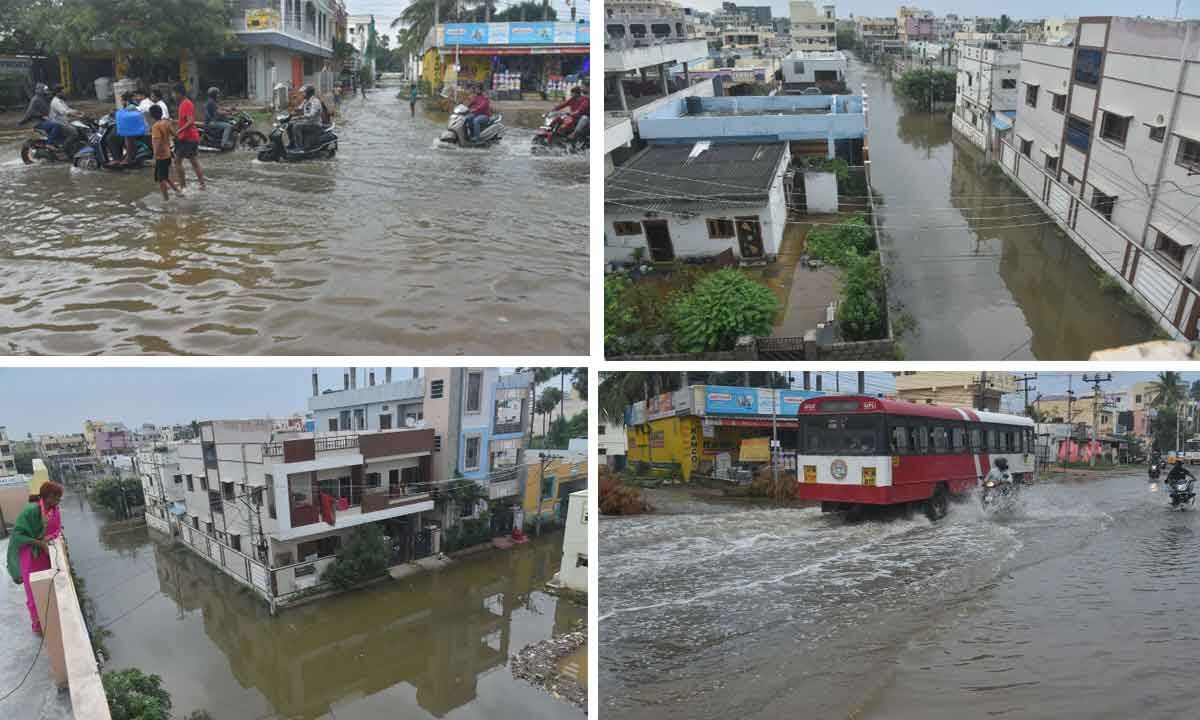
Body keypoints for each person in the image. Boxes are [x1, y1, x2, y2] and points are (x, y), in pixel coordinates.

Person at [6, 481, 64, 634]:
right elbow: (17, 535)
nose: (58, 501)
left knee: (47, 586)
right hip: (30, 555)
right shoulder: (31, 510)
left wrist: (49, 539)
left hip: (46, 554)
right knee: (33, 590)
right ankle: (37, 625)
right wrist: (39, 543)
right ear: (46, 496)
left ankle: (50, 618)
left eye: (59, 498)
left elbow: (57, 529)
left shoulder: (55, 510)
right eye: (56, 497)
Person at [173, 82, 205, 191]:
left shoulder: (186, 103)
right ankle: (202, 185)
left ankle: (183, 186)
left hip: (188, 138)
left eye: (174, 93)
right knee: (194, 161)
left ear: (179, 93)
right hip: (189, 137)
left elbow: (191, 121)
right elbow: (185, 120)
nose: (173, 96)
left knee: (177, 161)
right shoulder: (184, 103)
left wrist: (178, 131)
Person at [149, 105, 181, 201]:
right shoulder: (166, 123)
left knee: (161, 179)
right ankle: (179, 193)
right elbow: (175, 135)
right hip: (168, 154)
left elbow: (157, 143)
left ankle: (166, 200)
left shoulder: (156, 126)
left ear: (151, 115)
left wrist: (154, 157)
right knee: (165, 177)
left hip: (160, 156)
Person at [114, 91, 148, 166]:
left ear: (125, 100)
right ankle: (130, 156)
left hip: (138, 129)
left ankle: (128, 158)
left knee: (128, 139)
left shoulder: (131, 107)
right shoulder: (131, 106)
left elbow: (126, 118)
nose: (121, 102)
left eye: (122, 100)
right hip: (136, 128)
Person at [48, 85, 81, 149]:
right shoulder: (56, 102)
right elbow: (65, 112)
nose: (64, 93)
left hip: (63, 122)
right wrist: (77, 115)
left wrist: (78, 112)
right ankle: (64, 148)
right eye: (62, 92)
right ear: (57, 93)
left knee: (78, 127)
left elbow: (68, 109)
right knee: (74, 133)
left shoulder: (61, 100)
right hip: (59, 124)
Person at [293, 85, 323, 150]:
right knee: (290, 124)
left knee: (297, 126)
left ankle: (299, 148)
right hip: (307, 123)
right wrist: (293, 112)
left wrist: (301, 117)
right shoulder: (306, 101)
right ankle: (292, 144)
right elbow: (299, 109)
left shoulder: (315, 101)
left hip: (315, 124)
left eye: (304, 93)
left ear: (308, 93)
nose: (303, 94)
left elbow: (312, 114)